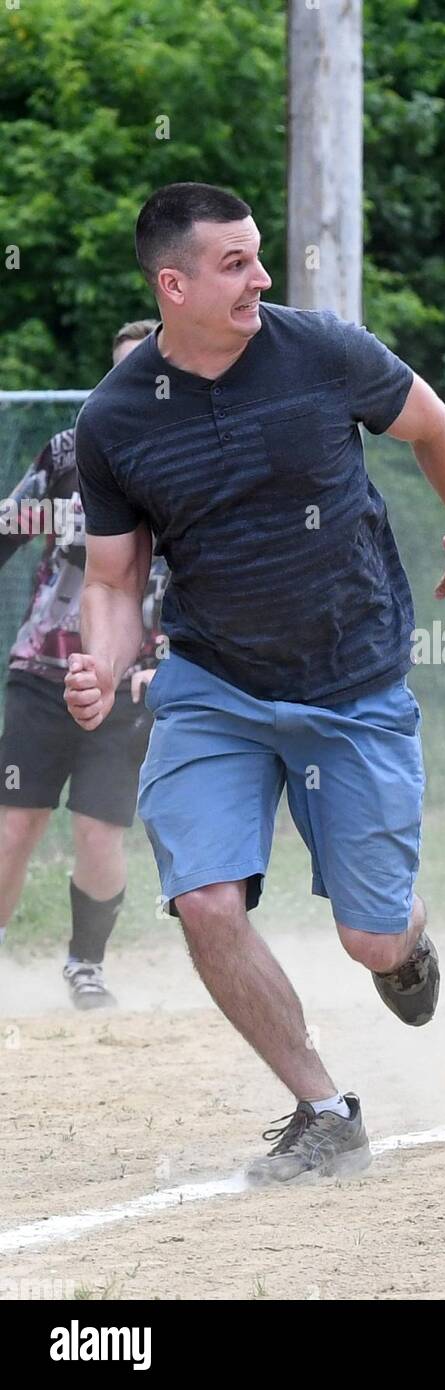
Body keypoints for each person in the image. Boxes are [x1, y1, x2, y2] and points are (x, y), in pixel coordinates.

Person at [67, 183, 445, 1179]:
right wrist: (101, 660)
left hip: (351, 681)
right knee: (206, 898)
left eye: (259, 255)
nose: (260, 277)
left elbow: (432, 426)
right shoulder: (116, 417)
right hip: (213, 684)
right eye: (234, 263)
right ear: (172, 285)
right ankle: (323, 1109)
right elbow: (113, 577)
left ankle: (405, 938)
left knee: (370, 938)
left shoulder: (321, 352)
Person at [0, 320, 167, 1007]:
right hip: (44, 671)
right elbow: (9, 528)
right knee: (15, 823)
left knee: (99, 835)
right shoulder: (69, 455)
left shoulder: (186, 466)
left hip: (129, 679)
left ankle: (85, 965)